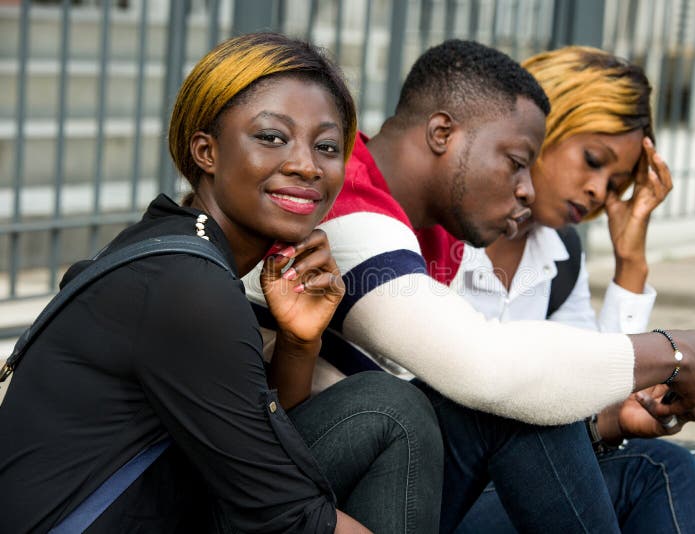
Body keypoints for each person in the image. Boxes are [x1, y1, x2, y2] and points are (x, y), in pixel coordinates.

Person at [244, 39, 695, 532]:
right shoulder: (346, 203)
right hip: (280, 484)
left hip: (379, 463)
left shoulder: (444, 236)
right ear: (443, 132)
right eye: (518, 160)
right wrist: (671, 352)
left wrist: (619, 398)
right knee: (518, 408)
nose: (526, 186)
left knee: (673, 468)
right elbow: (488, 370)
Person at [0, 32, 443, 533]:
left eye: (327, 146)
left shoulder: (174, 245)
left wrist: (299, 343)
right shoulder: (189, 287)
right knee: (397, 413)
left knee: (383, 407)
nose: (306, 165)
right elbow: (286, 518)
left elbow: (265, 442)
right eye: (272, 137)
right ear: (206, 151)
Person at [452, 45, 695, 534]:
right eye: (593, 160)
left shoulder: (558, 253)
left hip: (515, 475)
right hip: (442, 489)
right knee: (663, 471)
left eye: (616, 182)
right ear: (545, 124)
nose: (600, 191)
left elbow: (594, 392)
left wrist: (631, 261)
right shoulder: (445, 232)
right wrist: (668, 353)